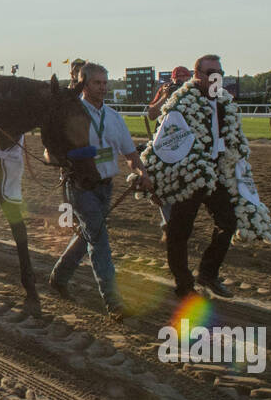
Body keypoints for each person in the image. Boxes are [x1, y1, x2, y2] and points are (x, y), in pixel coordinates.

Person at [48, 62, 152, 322]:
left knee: (88, 236)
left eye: (105, 83)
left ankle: (59, 277)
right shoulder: (69, 114)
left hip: (106, 187)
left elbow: (130, 154)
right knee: (100, 241)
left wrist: (142, 173)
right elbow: (50, 154)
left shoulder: (115, 117)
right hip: (80, 187)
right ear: (83, 84)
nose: (103, 88)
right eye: (97, 83)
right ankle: (113, 302)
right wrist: (78, 156)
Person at [163, 55, 238, 300]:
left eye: (220, 71)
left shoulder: (225, 101)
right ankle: (183, 283)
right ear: (198, 75)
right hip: (189, 172)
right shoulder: (182, 101)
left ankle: (207, 273)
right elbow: (167, 139)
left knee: (229, 222)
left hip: (216, 172)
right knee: (179, 231)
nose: (217, 76)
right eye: (211, 72)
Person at [148, 66, 192, 241]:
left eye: (185, 77)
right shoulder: (164, 90)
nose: (181, 81)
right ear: (172, 79)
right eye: (178, 78)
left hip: (187, 145)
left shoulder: (195, 93)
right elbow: (151, 114)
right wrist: (166, 97)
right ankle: (168, 224)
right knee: (161, 188)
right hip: (164, 145)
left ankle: (178, 224)